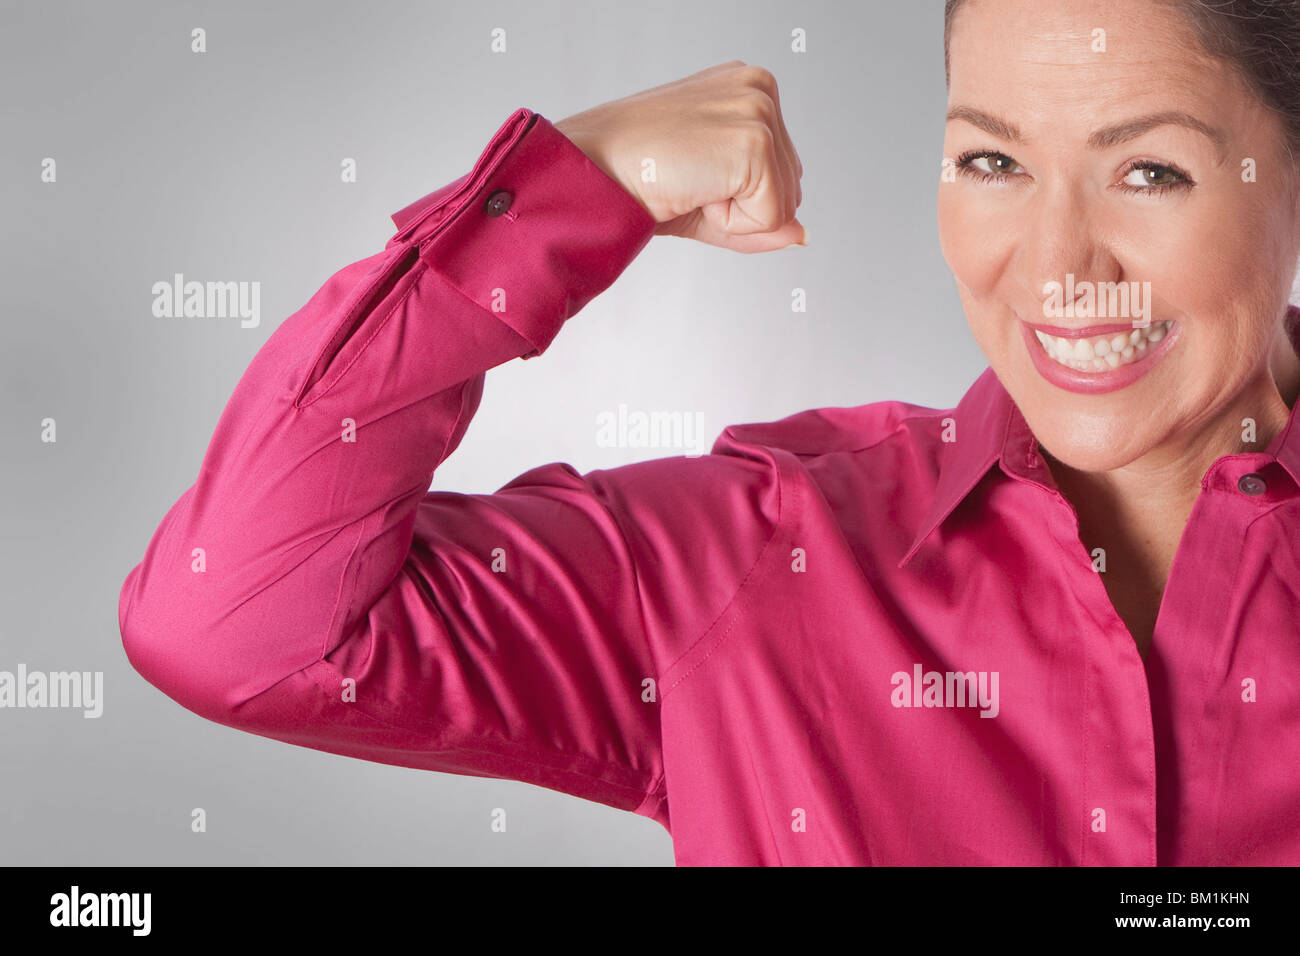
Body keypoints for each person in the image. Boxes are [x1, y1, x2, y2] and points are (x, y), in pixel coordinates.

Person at [118, 0, 1300, 865]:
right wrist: (568, 190)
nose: (1053, 266)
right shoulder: (751, 560)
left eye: (1149, 172)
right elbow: (236, 628)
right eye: (992, 160)